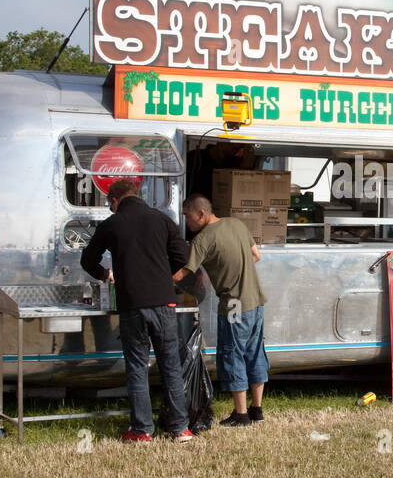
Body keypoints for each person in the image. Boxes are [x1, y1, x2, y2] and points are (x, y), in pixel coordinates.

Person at [81, 177, 193, 443]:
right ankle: (180, 428)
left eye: (110, 203)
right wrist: (166, 276)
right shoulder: (163, 220)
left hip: (132, 303)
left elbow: (88, 260)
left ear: (116, 200)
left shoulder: (112, 224)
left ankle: (142, 430)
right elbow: (184, 257)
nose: (110, 208)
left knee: (137, 366)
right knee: (170, 365)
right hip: (164, 302)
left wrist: (105, 273)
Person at [174, 194, 267, 426]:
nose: (186, 223)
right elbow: (257, 255)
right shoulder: (236, 224)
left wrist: (158, 282)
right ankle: (257, 411)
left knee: (233, 354)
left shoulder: (202, 240)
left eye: (187, 217)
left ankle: (241, 415)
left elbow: (184, 273)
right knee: (255, 353)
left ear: (201, 214)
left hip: (234, 304)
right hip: (256, 300)